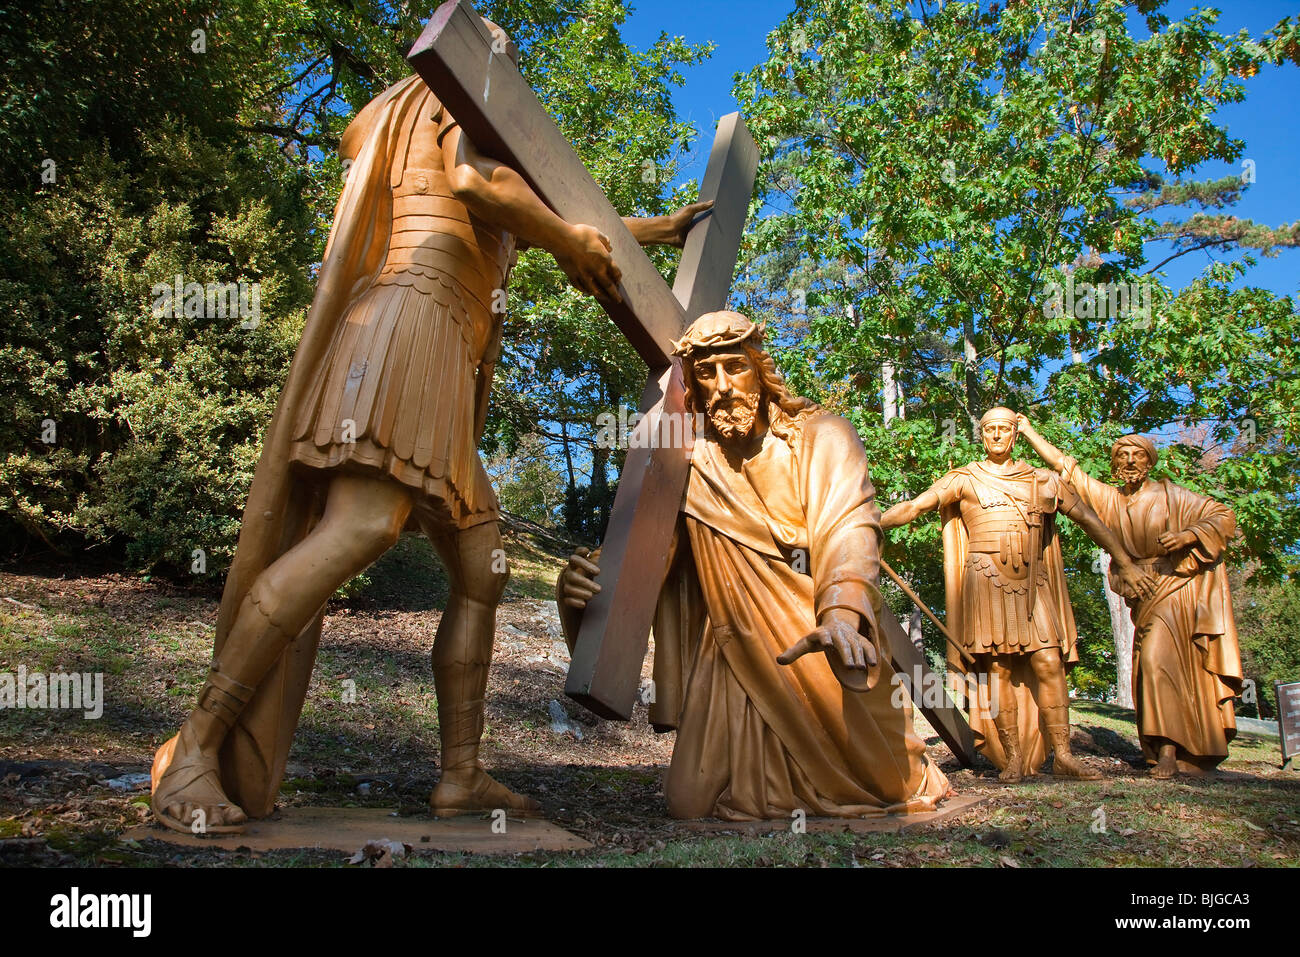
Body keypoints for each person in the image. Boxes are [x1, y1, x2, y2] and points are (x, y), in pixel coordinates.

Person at [150, 23, 711, 834]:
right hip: (412, 322)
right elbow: (479, 184)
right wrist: (568, 243)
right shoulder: (455, 94)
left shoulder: (424, 108)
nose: (509, 56)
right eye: (501, 45)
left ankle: (460, 775)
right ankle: (196, 744)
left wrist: (643, 231)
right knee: (363, 525)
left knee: (483, 564)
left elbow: (516, 198)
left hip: (439, 340)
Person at [558, 311, 950, 820]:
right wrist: (585, 589)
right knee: (688, 804)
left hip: (813, 636)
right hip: (728, 652)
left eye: (734, 367)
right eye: (705, 372)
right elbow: (648, 574)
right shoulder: (687, 462)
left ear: (760, 370)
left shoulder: (821, 436)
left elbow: (848, 530)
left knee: (890, 784)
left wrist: (841, 614)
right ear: (692, 385)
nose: (722, 386)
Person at [880, 408, 1154, 782]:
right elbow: (915, 506)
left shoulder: (1043, 480)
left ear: (1015, 434)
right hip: (986, 580)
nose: (996, 436)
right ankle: (1010, 758)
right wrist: (869, 523)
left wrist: (1125, 561)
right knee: (999, 669)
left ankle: (1064, 755)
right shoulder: (963, 478)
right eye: (989, 429)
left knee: (1049, 662)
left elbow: (1090, 519)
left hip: (1032, 584)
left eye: (1003, 429)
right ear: (982, 435)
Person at [1016, 417, 1243, 777]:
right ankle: (1166, 748)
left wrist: (1188, 536)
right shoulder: (1110, 499)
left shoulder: (1174, 496)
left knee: (1158, 662)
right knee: (1155, 667)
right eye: (1123, 456)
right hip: (1144, 591)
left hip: (1179, 586)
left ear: (1150, 461)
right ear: (1115, 465)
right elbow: (1065, 468)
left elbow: (1223, 516)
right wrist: (1028, 432)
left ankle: (1169, 752)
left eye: (1137, 455)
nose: (1131, 461)